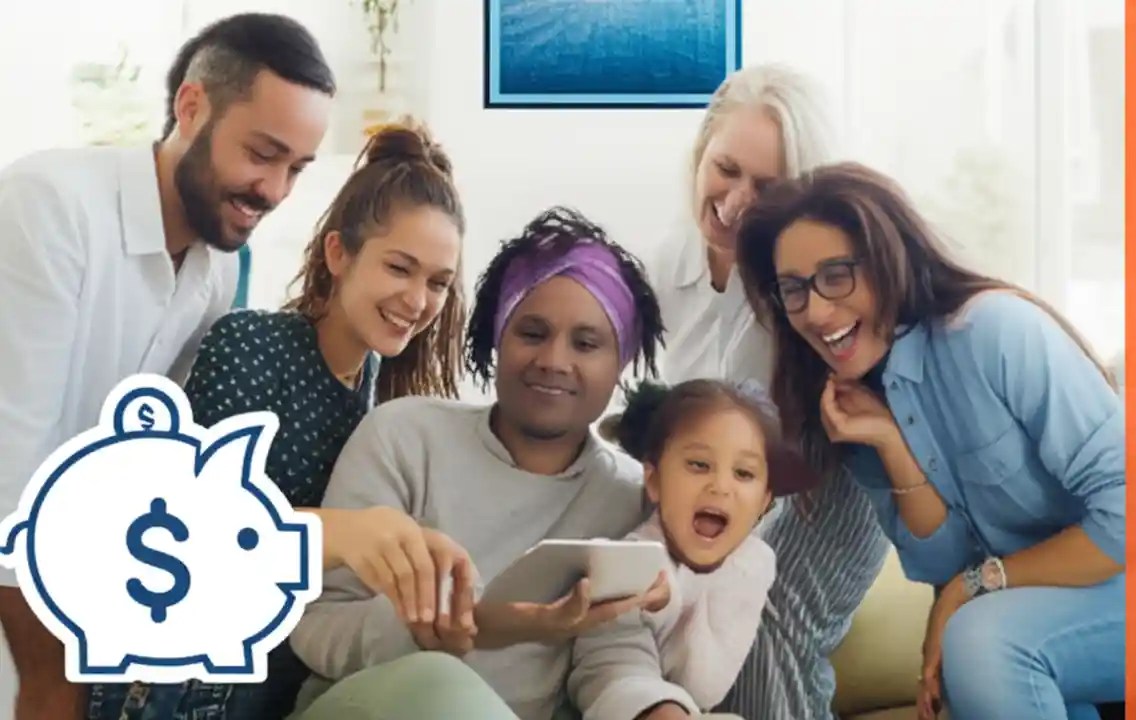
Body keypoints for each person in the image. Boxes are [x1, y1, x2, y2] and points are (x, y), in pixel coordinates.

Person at [0, 13, 335, 720]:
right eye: (262, 153)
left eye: (296, 169)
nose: (275, 190)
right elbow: (9, 469)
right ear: (191, 106)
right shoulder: (49, 204)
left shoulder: (220, 269)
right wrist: (54, 680)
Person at [86, 123, 468, 719]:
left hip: (276, 693)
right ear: (338, 253)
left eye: (438, 283)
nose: (418, 301)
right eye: (399, 268)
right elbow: (186, 532)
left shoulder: (379, 397)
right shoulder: (253, 345)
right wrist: (345, 534)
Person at [734, 161, 1126, 720]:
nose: (816, 311)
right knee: (979, 664)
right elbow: (941, 561)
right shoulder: (851, 404)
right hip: (1045, 625)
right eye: (793, 289)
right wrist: (892, 445)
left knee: (982, 642)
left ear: (889, 260)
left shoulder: (994, 331)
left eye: (837, 275)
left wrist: (976, 586)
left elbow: (1130, 515)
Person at [289, 206, 696, 720]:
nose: (554, 360)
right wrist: (424, 632)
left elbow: (612, 657)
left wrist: (658, 708)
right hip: (364, 707)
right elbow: (315, 623)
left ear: (621, 363)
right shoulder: (405, 435)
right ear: (498, 337)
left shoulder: (631, 495)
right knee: (438, 681)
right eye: (532, 333)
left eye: (586, 343)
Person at [649, 63, 890, 719]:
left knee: (756, 617)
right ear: (701, 155)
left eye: (767, 186)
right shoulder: (662, 269)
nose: (736, 201)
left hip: (830, 473)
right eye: (725, 169)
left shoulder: (809, 280)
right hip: (727, 488)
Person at [579, 378, 819, 718]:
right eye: (699, 465)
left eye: (743, 473)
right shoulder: (631, 564)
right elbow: (610, 661)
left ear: (764, 502)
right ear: (654, 480)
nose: (720, 486)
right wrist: (658, 709)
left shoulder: (754, 563)